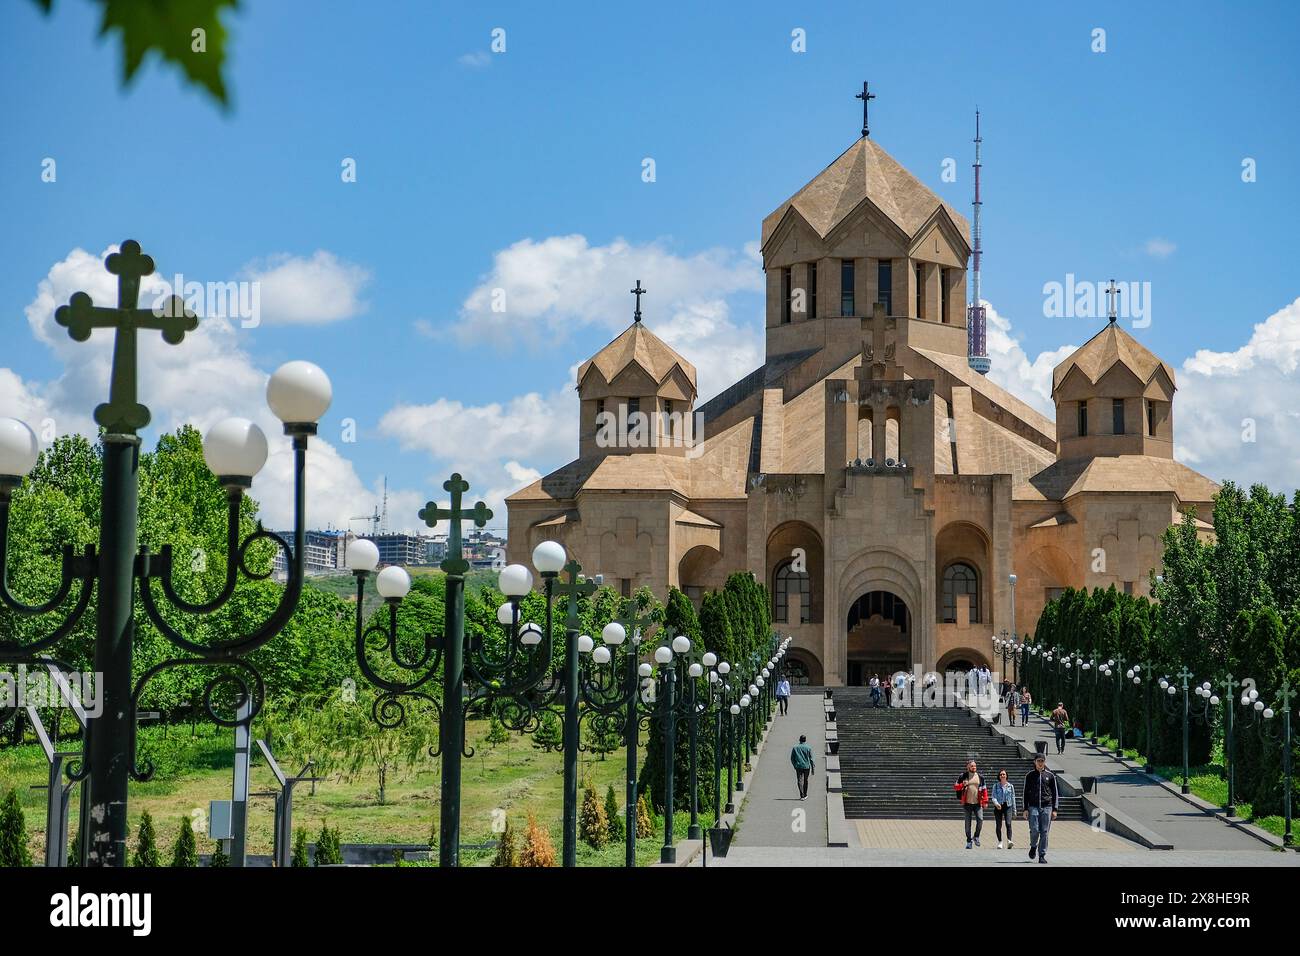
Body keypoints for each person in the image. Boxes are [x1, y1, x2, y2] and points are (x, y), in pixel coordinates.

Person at [1022, 752, 1059, 864]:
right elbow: (1025, 793)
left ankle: (1042, 855)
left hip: (1047, 807)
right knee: (1034, 829)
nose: (1040, 763)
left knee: (1044, 832)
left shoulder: (1050, 776)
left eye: (1042, 761)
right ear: (1035, 762)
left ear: (1044, 762)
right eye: (1038, 761)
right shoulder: (1029, 776)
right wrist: (1025, 809)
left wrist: (1055, 809)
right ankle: (1033, 846)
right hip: (1033, 807)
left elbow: (1055, 793)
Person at [953, 759, 987, 848]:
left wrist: (985, 801)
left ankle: (976, 836)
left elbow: (984, 790)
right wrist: (962, 785)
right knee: (967, 824)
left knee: (980, 820)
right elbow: (955, 787)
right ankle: (969, 841)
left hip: (977, 803)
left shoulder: (980, 777)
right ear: (968, 767)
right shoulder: (963, 776)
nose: (974, 767)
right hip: (967, 803)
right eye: (972, 766)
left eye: (975, 766)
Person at [990, 769, 1016, 849]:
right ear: (999, 776)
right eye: (1001, 774)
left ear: (1006, 776)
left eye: (1004, 774)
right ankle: (1000, 841)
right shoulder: (996, 786)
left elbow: (1013, 798)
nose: (1002, 776)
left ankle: (1009, 841)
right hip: (998, 807)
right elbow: (993, 797)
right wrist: (996, 804)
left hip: (1008, 806)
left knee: (1008, 824)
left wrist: (1014, 810)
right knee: (999, 825)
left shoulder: (1010, 786)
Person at [790, 734, 815, 799]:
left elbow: (792, 758)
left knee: (799, 780)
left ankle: (801, 795)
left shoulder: (795, 748)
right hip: (806, 766)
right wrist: (813, 768)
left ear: (799, 740)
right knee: (806, 780)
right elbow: (811, 759)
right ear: (805, 740)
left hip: (798, 766)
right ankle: (805, 794)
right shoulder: (808, 748)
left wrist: (794, 765)